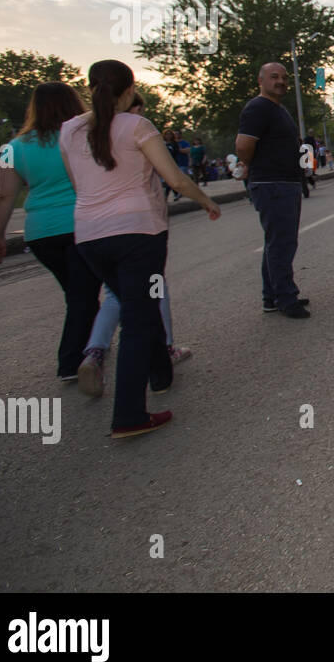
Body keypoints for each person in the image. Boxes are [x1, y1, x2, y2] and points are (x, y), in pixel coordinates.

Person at [59, 60, 220, 437]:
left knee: (138, 307)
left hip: (89, 238)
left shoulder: (69, 130)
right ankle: (129, 414)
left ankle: (161, 374)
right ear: (129, 91)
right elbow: (175, 179)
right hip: (138, 237)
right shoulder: (137, 125)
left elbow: (77, 184)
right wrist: (206, 201)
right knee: (138, 316)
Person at [0, 82, 103, 383]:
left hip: (40, 232)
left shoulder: (12, 148)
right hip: (81, 224)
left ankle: (94, 344)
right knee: (82, 294)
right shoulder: (85, 135)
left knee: (78, 292)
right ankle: (71, 362)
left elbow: (4, 195)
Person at [236, 63, 310, 318]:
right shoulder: (258, 108)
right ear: (260, 80)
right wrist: (249, 165)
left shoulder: (277, 108)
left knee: (276, 243)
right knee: (282, 244)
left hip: (284, 182)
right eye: (274, 77)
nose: (280, 81)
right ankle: (285, 298)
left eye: (284, 77)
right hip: (272, 184)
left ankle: (273, 296)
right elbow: (243, 145)